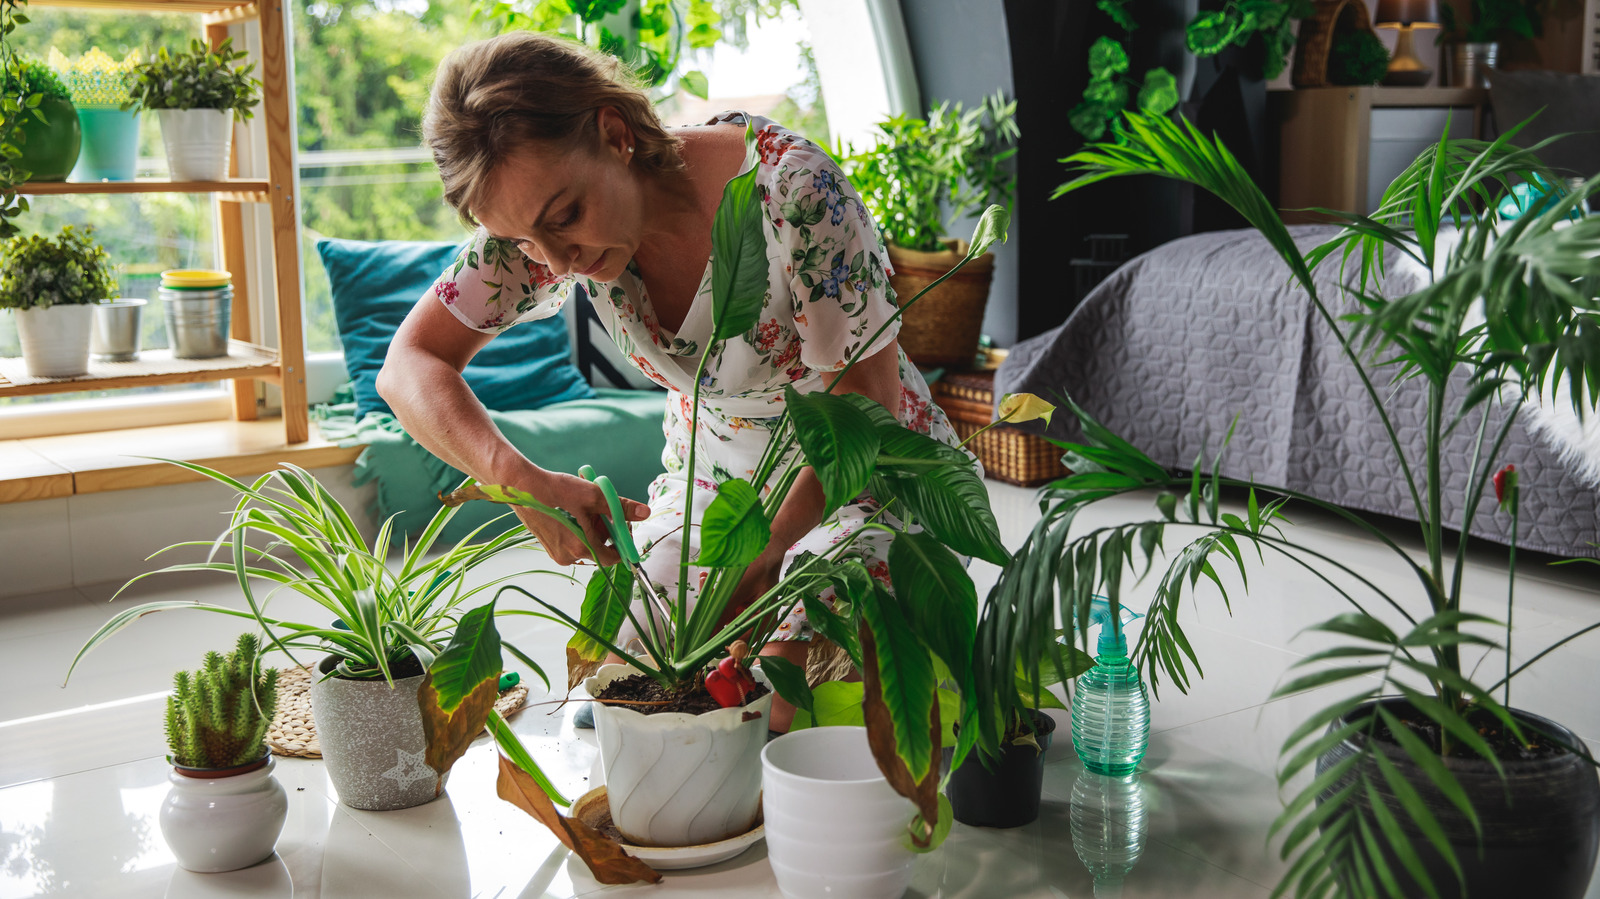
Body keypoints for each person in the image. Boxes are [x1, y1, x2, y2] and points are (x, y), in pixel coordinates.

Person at [377, 31, 969, 731]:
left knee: (785, 697)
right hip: (714, 486)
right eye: (527, 241)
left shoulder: (792, 191)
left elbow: (867, 400)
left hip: (859, 475)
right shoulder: (539, 232)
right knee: (642, 692)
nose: (557, 261)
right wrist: (513, 475)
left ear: (615, 132)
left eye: (564, 218)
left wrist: (772, 542)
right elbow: (409, 363)